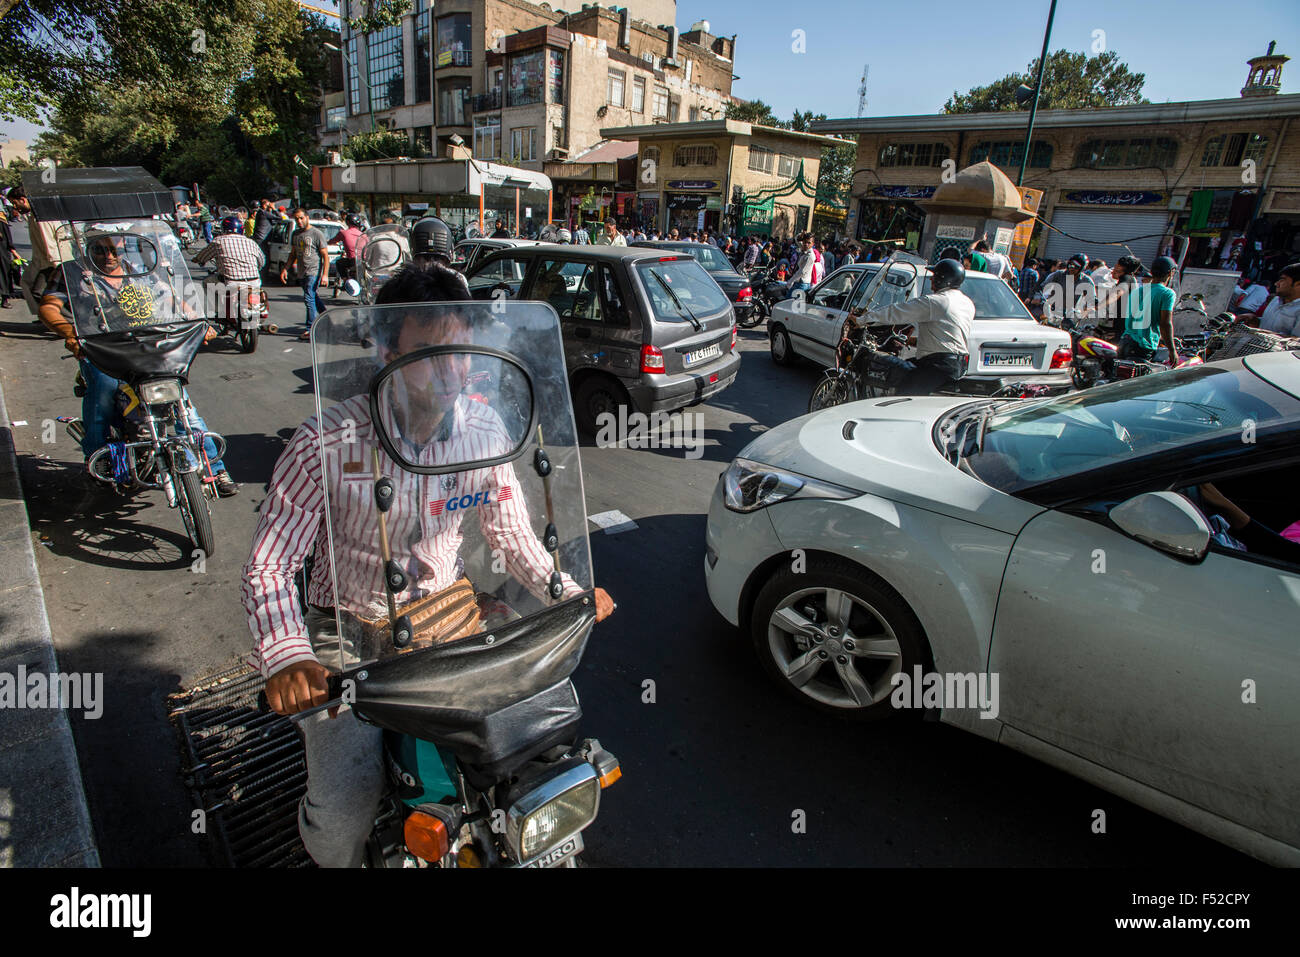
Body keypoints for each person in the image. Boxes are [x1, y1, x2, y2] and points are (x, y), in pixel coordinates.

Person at [242, 262, 616, 867]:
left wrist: (567, 592)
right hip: (349, 636)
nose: (450, 369)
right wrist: (288, 658)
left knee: (523, 750)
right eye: (429, 351)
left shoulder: (486, 430)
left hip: (450, 619)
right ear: (386, 348)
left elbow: (511, 532)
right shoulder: (326, 442)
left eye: (461, 350)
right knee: (343, 810)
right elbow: (270, 565)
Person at [38, 232, 238, 496]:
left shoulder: (141, 271)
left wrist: (197, 322)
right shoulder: (71, 273)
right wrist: (69, 332)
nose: (108, 257)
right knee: (103, 395)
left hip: (149, 350)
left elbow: (171, 300)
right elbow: (49, 307)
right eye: (100, 250)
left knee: (184, 408)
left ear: (123, 247)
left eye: (114, 250)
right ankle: (98, 457)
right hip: (102, 352)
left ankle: (215, 467)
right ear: (86, 248)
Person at [850, 257, 974, 396]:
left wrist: (862, 319)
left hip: (938, 366)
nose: (931, 279)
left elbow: (897, 312)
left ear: (942, 279)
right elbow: (946, 332)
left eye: (935, 276)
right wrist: (911, 341)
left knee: (901, 397)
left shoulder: (936, 302)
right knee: (906, 366)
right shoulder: (966, 302)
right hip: (958, 364)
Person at [1118, 255, 1178, 363]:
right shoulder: (1167, 293)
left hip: (1125, 342)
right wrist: (1172, 351)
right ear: (1170, 273)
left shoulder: (1137, 291)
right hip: (1143, 346)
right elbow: (1165, 324)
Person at [281, 208, 329, 340]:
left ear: (307, 217)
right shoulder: (296, 234)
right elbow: (293, 254)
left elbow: (325, 256)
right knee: (313, 296)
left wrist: (325, 275)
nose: (299, 221)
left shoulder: (316, 233)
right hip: (302, 271)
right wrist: (285, 269)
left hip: (313, 271)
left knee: (308, 298)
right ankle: (326, 317)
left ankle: (311, 328)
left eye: (301, 218)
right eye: (296, 219)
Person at [194, 215, 266, 285]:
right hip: (254, 282)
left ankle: (218, 298)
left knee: (207, 283)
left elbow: (202, 257)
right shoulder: (251, 242)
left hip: (232, 283)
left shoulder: (218, 241)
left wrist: (197, 259)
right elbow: (262, 262)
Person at [1247, 263, 1300, 336]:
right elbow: (1269, 326)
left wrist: (1266, 335)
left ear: (1298, 284)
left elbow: (1295, 343)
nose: (1276, 284)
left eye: (1282, 280)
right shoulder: (1276, 300)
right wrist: (1255, 320)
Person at [334, 214, 365, 297]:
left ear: (347, 222)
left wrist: (327, 242)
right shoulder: (363, 235)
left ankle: (345, 281)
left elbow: (333, 241)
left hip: (352, 261)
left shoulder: (343, 233)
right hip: (364, 261)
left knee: (339, 263)